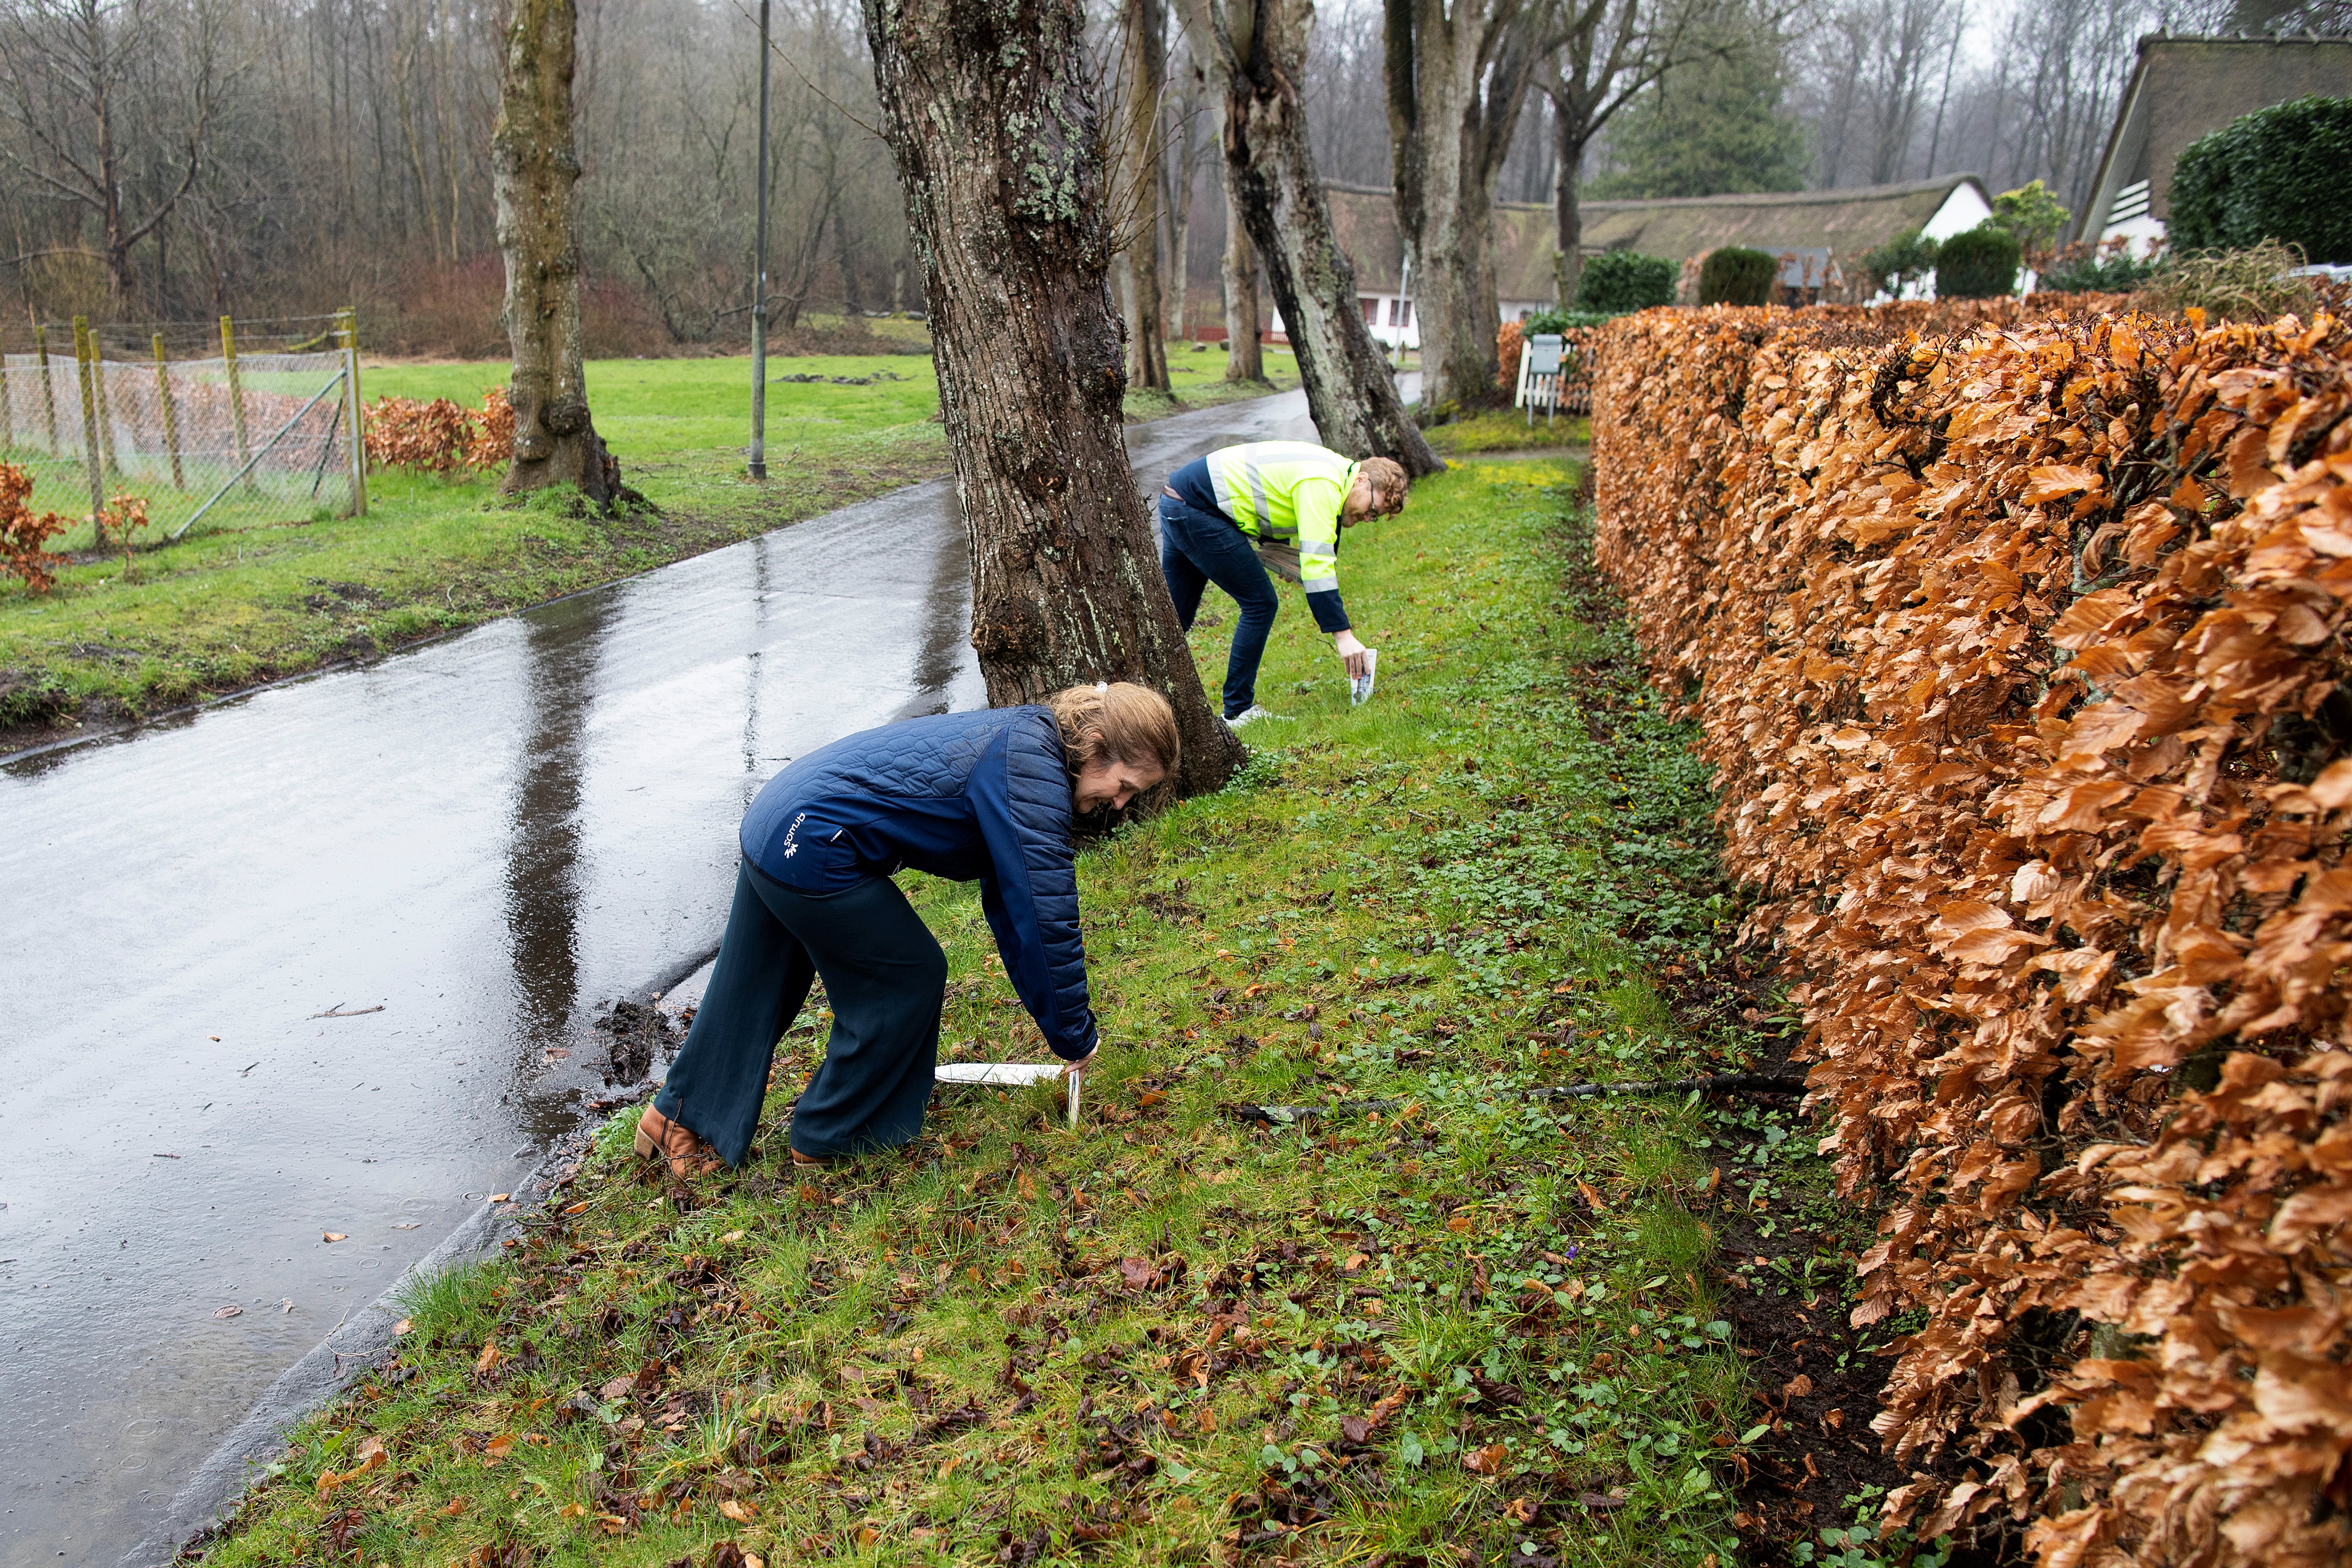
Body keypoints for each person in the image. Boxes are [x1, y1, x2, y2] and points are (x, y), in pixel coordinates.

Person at [634, 683, 1179, 1175]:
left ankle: (675, 1118)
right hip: (814, 840)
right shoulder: (1033, 775)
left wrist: (1058, 1020)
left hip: (779, 817)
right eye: (1125, 784)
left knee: (756, 978)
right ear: (1097, 742)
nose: (1120, 804)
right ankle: (830, 1135)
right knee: (905, 976)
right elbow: (1045, 914)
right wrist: (1075, 1034)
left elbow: (1015, 909)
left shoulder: (1027, 741)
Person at [1157, 442, 1410, 725]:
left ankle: (1131, 703)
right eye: (1372, 510)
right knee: (1260, 604)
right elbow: (1318, 566)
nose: (1367, 518)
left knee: (1172, 621)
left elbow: (1269, 494)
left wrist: (1276, 547)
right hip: (1196, 510)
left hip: (1176, 501)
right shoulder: (1324, 483)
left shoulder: (1333, 471)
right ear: (1362, 480)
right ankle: (1238, 712)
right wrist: (1343, 636)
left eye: (1373, 518)